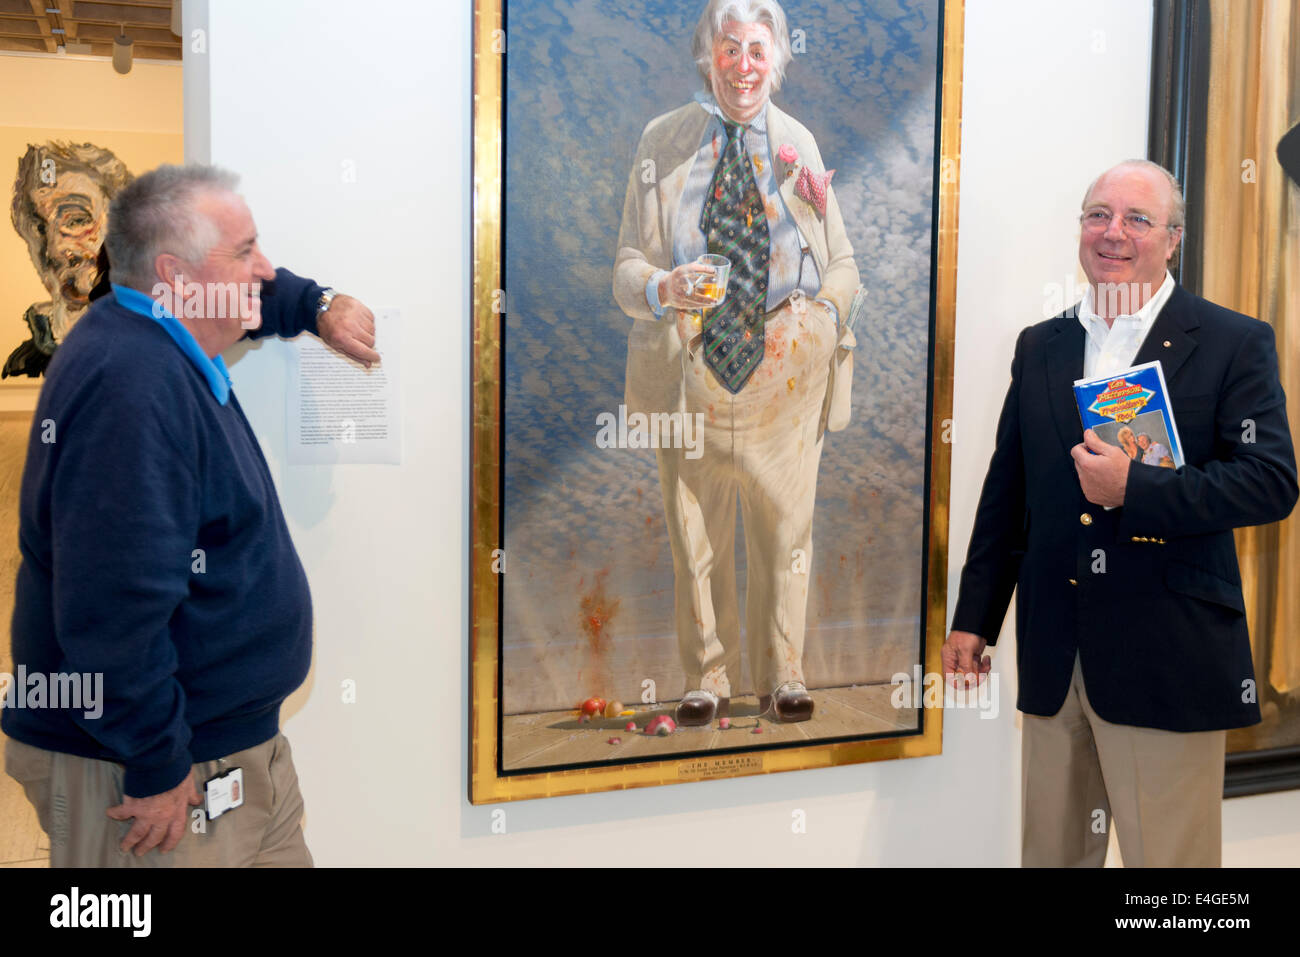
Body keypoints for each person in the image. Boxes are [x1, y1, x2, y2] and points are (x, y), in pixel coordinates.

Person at [3, 164, 380, 867]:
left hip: (231, 752)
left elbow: (257, 296)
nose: (264, 268)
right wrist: (154, 762)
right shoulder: (131, 387)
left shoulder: (155, 330)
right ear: (175, 275)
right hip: (145, 776)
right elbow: (109, 612)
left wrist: (316, 303)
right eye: (244, 253)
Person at [944, 159, 1297, 867]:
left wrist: (1135, 488)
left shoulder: (1233, 341)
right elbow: (1006, 491)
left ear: (1173, 239)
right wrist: (974, 618)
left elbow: (1271, 481)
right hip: (1055, 660)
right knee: (1053, 856)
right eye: (1097, 215)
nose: (1113, 233)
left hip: (1168, 658)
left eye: (1137, 219)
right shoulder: (1041, 344)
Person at [613, 0, 860, 725]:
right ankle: (706, 676)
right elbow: (626, 263)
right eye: (729, 50)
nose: (743, 66)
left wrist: (820, 321)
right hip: (688, 371)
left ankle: (785, 672)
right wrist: (660, 286)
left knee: (787, 533)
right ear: (708, 56)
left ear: (776, 60)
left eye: (757, 50)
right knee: (696, 537)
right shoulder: (662, 142)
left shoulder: (799, 146)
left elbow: (843, 265)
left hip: (784, 377)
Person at [4, 142, 131, 378]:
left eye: (75, 220)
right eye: (40, 228)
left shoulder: (142, 347)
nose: (54, 248)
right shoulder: (23, 364)